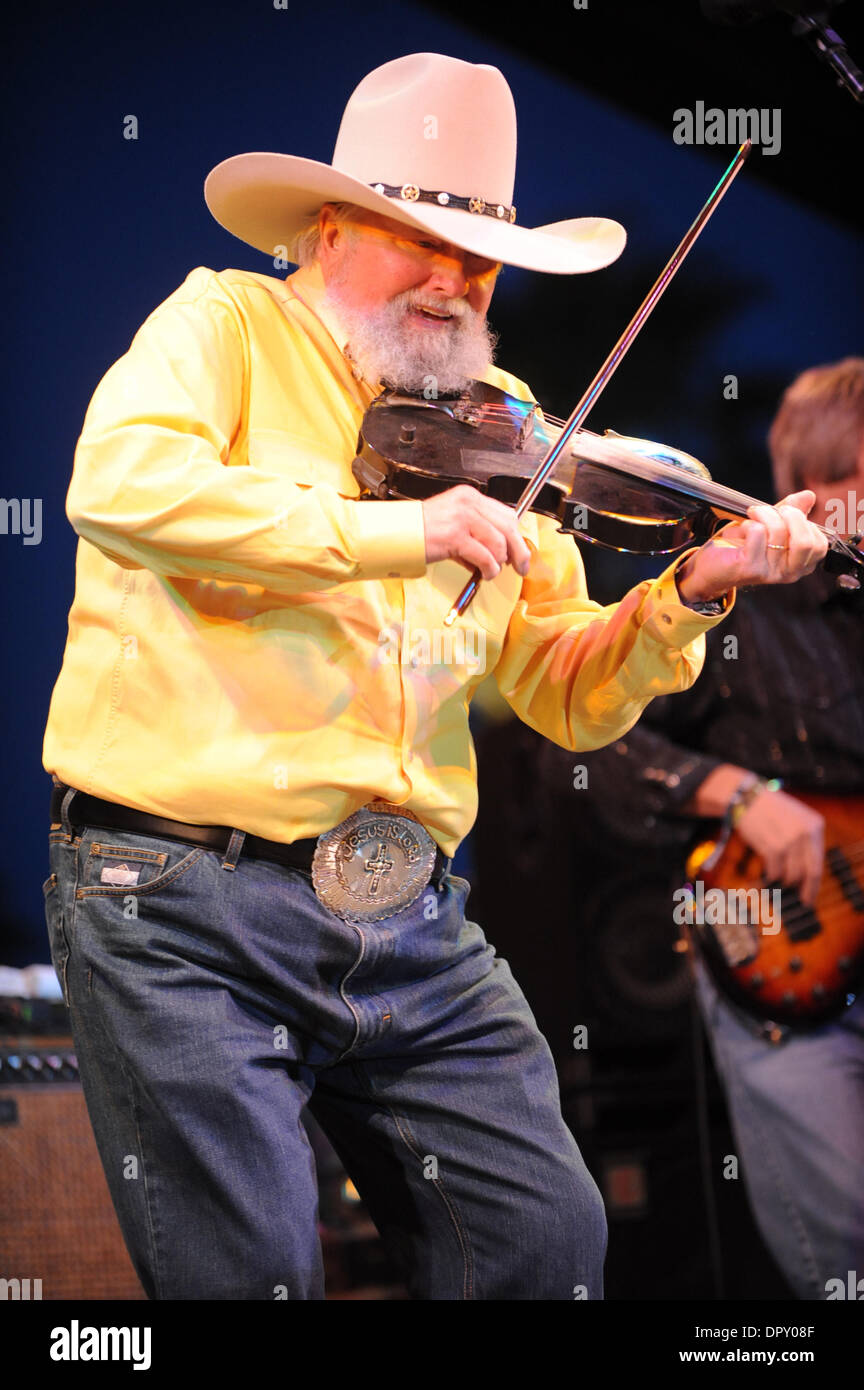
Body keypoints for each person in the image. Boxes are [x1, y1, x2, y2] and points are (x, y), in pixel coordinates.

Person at [40, 52, 828, 1301]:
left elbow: (566, 689)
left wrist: (691, 590)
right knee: (248, 1278)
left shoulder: (508, 418)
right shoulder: (223, 326)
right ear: (333, 228)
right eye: (423, 239)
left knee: (548, 1243)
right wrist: (407, 532)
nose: (457, 278)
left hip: (407, 915)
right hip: (180, 895)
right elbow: (121, 489)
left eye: (480, 254)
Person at [523, 358, 864, 1300]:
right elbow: (582, 752)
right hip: (780, 960)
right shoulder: (737, 595)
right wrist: (741, 795)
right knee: (845, 1252)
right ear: (827, 485)